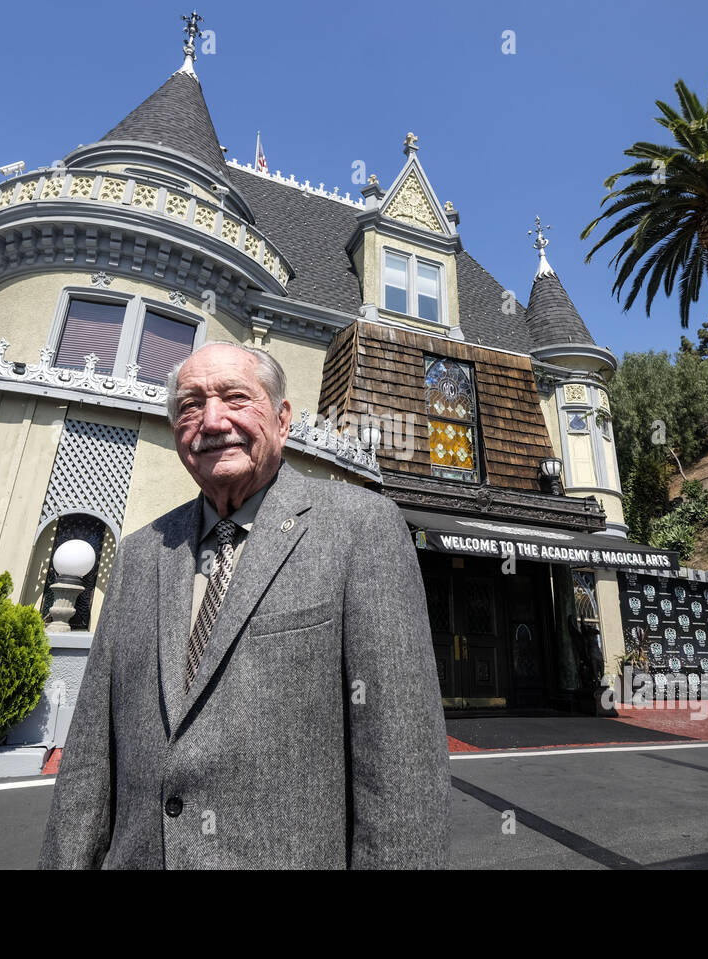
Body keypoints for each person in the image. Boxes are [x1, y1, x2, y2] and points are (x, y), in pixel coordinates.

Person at [38, 341, 450, 869]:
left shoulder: (360, 528)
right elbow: (90, 760)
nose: (211, 420)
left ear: (282, 420)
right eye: (190, 405)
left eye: (235, 398)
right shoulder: (142, 553)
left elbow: (402, 765)